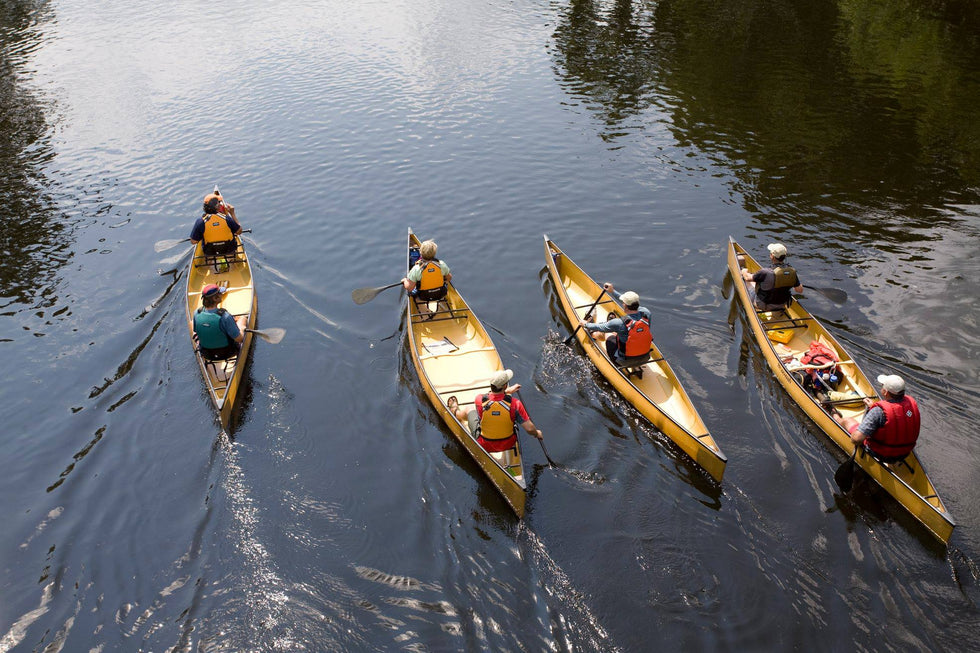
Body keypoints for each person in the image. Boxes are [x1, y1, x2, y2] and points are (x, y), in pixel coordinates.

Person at [448, 369, 544, 452]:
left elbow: (491, 397)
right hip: (508, 444)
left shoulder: (479, 399)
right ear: (505, 386)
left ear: (491, 385)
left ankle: (455, 412)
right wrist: (537, 433)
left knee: (469, 408)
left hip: (484, 444)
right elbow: (530, 429)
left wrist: (506, 392)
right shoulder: (516, 404)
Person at [833, 374, 920, 462]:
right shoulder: (911, 404)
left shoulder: (878, 411)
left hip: (881, 454)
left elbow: (856, 439)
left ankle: (834, 416)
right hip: (905, 453)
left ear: (885, 392)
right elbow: (897, 416)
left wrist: (873, 412)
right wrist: (872, 407)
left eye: (882, 386)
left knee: (847, 421)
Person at [582, 283, 652, 363]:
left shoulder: (619, 322)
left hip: (623, 361)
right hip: (645, 358)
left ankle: (592, 334)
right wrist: (612, 291)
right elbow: (630, 304)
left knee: (607, 332)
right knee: (624, 333)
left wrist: (585, 324)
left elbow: (601, 327)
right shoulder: (647, 314)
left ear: (624, 305)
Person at [740, 242, 803, 311]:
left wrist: (744, 271)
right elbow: (799, 290)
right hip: (781, 305)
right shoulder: (792, 272)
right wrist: (795, 283)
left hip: (763, 305)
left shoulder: (765, 272)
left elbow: (747, 278)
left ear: (772, 256)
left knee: (749, 284)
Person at [193, 284, 248, 360]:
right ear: (215, 298)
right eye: (220, 293)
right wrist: (242, 327)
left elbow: (196, 330)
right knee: (242, 319)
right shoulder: (225, 316)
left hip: (207, 354)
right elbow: (239, 339)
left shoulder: (197, 313)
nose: (222, 294)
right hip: (228, 353)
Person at [190, 190, 242, 257]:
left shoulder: (200, 221)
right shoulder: (226, 218)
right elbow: (239, 231)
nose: (220, 204)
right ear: (217, 206)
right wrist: (232, 214)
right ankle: (230, 259)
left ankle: (211, 261)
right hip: (229, 250)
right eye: (219, 202)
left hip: (211, 253)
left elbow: (193, 241)